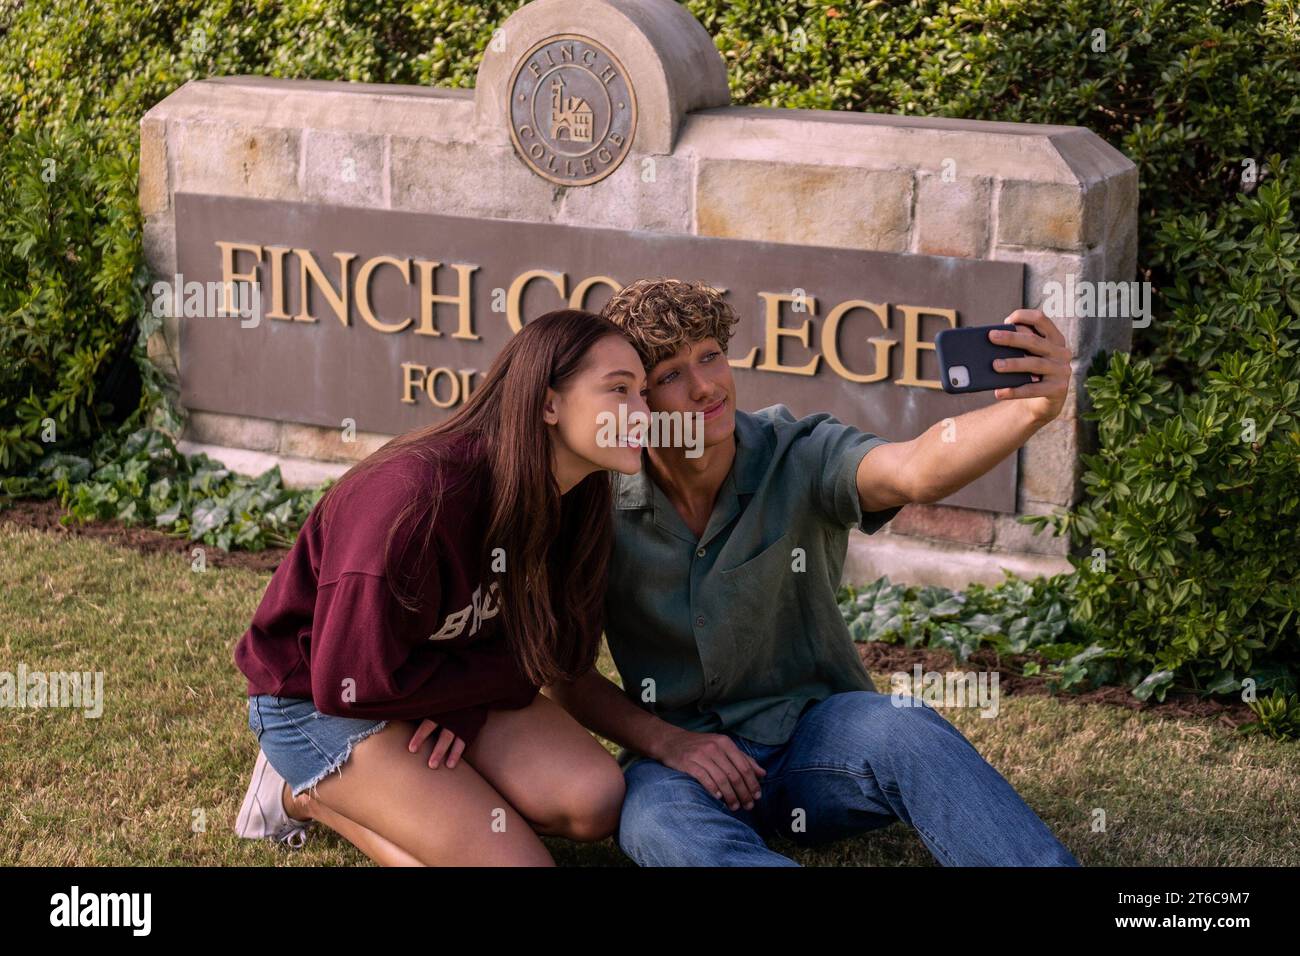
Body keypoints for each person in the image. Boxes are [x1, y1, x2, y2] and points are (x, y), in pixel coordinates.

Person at [548, 277, 1082, 866]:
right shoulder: (594, 503)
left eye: (710, 356)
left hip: (819, 743)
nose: (705, 388)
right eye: (671, 375)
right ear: (638, 400)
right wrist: (669, 742)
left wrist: (1033, 411)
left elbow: (914, 469)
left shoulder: (798, 452)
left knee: (903, 726)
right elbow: (564, 673)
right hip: (686, 762)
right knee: (653, 820)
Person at [232, 309, 649, 866]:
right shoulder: (414, 498)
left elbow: (554, 657)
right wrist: (463, 697)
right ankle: (302, 794)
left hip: (434, 676)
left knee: (593, 800)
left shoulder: (582, 497)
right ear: (547, 403)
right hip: (318, 702)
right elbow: (346, 680)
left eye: (643, 392)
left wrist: (464, 709)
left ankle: (423, 795)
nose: (644, 413)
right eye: (618, 390)